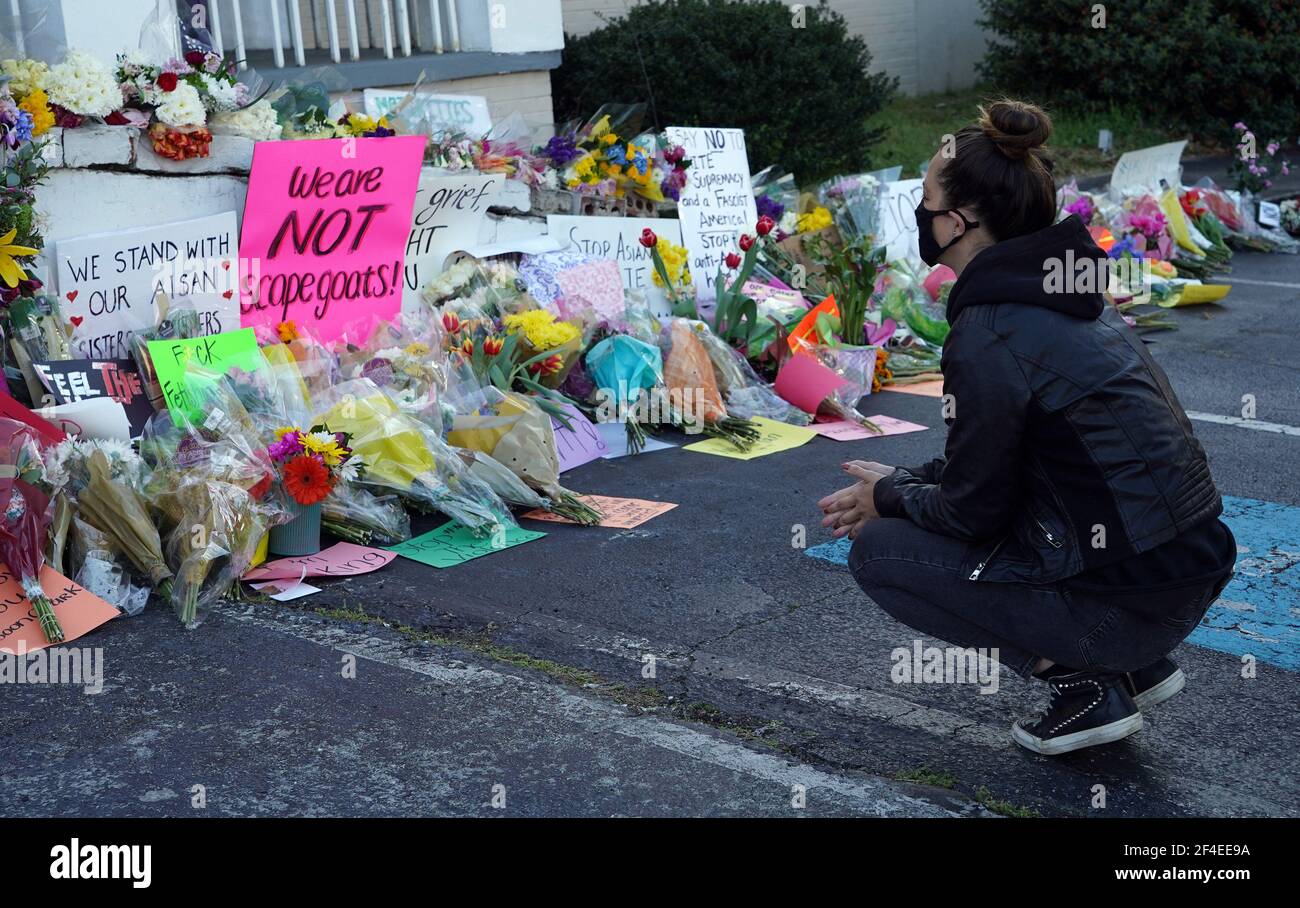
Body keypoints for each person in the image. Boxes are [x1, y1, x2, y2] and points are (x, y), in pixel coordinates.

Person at [818, 99, 1236, 756]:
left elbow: (974, 509)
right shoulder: (1061, 293)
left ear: (957, 222)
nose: (919, 216)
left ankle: (1087, 680)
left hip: (1138, 596)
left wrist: (889, 498)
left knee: (879, 551)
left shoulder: (988, 330)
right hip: (1184, 570)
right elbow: (1011, 458)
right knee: (917, 518)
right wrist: (901, 481)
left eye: (926, 202)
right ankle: (1132, 660)